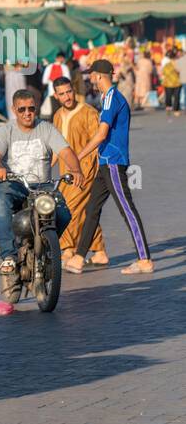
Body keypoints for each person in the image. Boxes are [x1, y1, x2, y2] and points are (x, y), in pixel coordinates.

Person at [0, 89, 84, 296]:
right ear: (14, 110)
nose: (27, 113)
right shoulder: (5, 131)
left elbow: (65, 151)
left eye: (31, 108)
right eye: (22, 109)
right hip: (15, 183)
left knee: (64, 213)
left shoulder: (46, 128)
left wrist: (75, 170)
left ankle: (47, 249)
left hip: (43, 186)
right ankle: (9, 257)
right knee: (0, 199)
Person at [65, 59, 154, 276]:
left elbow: (102, 134)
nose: (89, 78)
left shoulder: (112, 97)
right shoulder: (107, 97)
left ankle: (144, 260)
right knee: (92, 209)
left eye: (91, 75)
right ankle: (78, 258)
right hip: (105, 163)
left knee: (127, 209)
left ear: (99, 75)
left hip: (113, 161)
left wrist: (78, 155)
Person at [50, 77, 108, 266]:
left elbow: (96, 143)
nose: (67, 96)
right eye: (62, 93)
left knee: (67, 209)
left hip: (85, 171)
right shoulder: (57, 115)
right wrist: (46, 166)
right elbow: (57, 147)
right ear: (56, 96)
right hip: (65, 173)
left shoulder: (88, 113)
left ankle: (68, 249)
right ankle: (99, 251)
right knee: (81, 211)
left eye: (69, 91)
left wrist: (86, 171)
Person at [160, 46, 183, 117]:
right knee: (171, 96)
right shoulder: (168, 64)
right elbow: (164, 72)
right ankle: (170, 108)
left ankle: (174, 109)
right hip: (171, 83)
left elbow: (181, 72)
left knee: (175, 97)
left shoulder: (176, 64)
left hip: (175, 83)